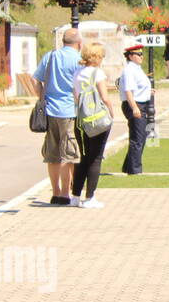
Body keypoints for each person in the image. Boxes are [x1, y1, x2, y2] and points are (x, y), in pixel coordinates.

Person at [25, 28, 82, 205]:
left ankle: (56, 192)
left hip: (50, 110)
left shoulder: (50, 56)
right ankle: (66, 193)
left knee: (52, 153)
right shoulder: (78, 60)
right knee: (68, 153)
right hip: (69, 111)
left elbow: (35, 79)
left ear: (62, 42)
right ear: (79, 44)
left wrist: (42, 97)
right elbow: (80, 86)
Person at [71, 42, 116, 208]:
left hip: (81, 120)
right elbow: (105, 97)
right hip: (97, 119)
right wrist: (111, 112)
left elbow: (76, 97)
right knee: (96, 158)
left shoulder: (77, 73)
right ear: (97, 57)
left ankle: (75, 196)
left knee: (83, 157)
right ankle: (90, 197)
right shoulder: (97, 73)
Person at [118, 44, 154, 175]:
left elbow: (138, 87)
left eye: (142, 54)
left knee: (141, 136)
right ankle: (135, 170)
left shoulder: (137, 69)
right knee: (137, 138)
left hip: (141, 103)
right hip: (135, 104)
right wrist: (134, 108)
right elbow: (128, 91)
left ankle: (128, 166)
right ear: (131, 56)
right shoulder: (129, 70)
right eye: (138, 54)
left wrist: (148, 91)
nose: (141, 56)